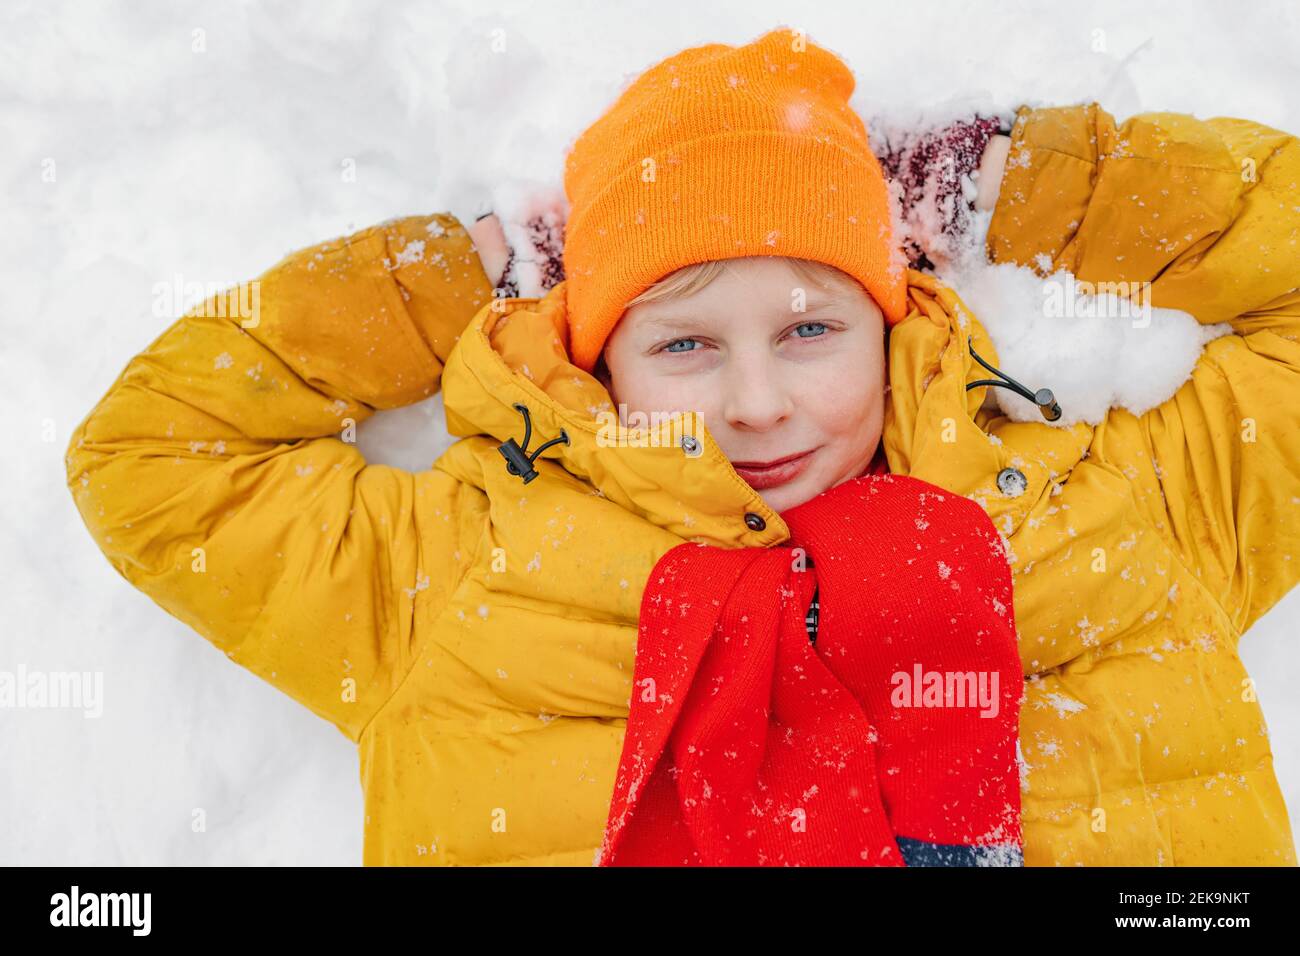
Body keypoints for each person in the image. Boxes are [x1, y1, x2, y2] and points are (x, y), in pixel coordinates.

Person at [66, 26, 1299, 866]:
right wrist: (477, 272)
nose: (755, 401)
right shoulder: (467, 575)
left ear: (892, 324)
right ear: (597, 358)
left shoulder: (1109, 518)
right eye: (684, 345)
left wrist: (1007, 188)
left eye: (810, 327)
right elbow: (158, 452)